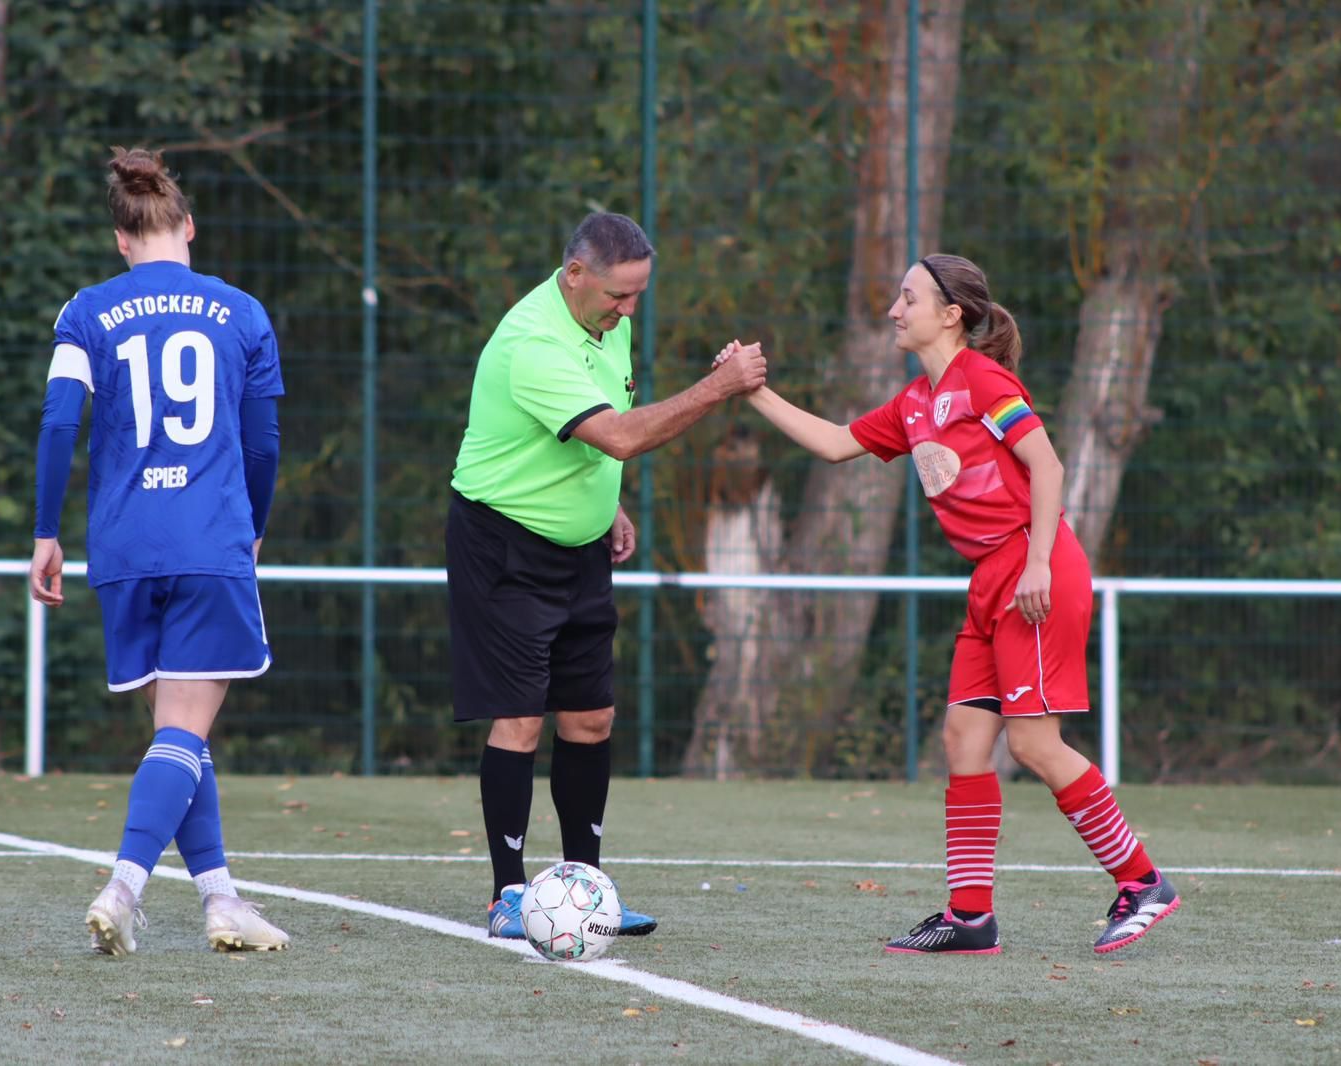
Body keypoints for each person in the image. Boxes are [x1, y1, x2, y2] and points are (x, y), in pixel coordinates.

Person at [722, 253, 1179, 955]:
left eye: (907, 299)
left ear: (950, 314)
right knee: (964, 740)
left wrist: (1034, 565)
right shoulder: (913, 403)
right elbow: (838, 442)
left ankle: (1143, 882)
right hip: (989, 580)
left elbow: (1048, 466)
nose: (893, 311)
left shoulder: (983, 379)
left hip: (1035, 565)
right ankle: (969, 918)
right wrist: (750, 392)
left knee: (1031, 743)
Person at [447, 211, 768, 940]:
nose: (629, 312)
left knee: (591, 717)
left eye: (638, 297)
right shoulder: (533, 340)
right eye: (618, 297)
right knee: (522, 719)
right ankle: (508, 894)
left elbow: (590, 435)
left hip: (581, 547)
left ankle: (587, 890)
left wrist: (608, 504)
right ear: (575, 275)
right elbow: (620, 434)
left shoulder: (605, 320)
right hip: (503, 544)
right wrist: (718, 388)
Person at [29, 146, 291, 955]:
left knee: (179, 738)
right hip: (207, 537)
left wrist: (45, 531)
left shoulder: (85, 310)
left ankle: (221, 901)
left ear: (121, 241)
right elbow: (263, 444)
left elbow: (59, 426)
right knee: (184, 731)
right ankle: (125, 887)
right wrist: (254, 522)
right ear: (188, 227)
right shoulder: (242, 312)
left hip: (124, 545)